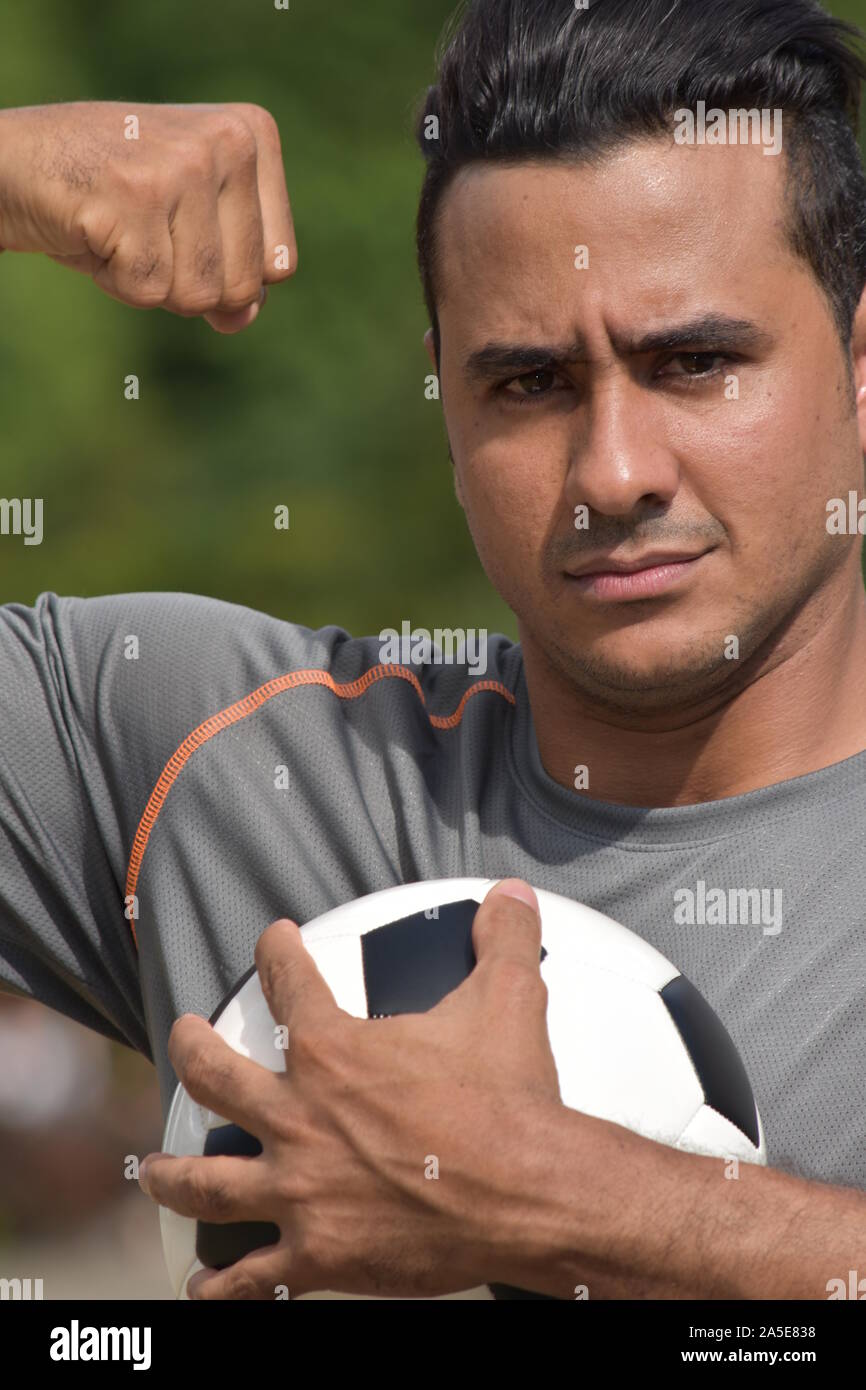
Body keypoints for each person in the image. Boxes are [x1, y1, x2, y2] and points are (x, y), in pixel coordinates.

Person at [2, 0, 866, 1299]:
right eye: (526, 383)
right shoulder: (213, 756)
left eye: (694, 361)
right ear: (444, 401)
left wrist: (591, 1205)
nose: (613, 470)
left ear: (859, 367)